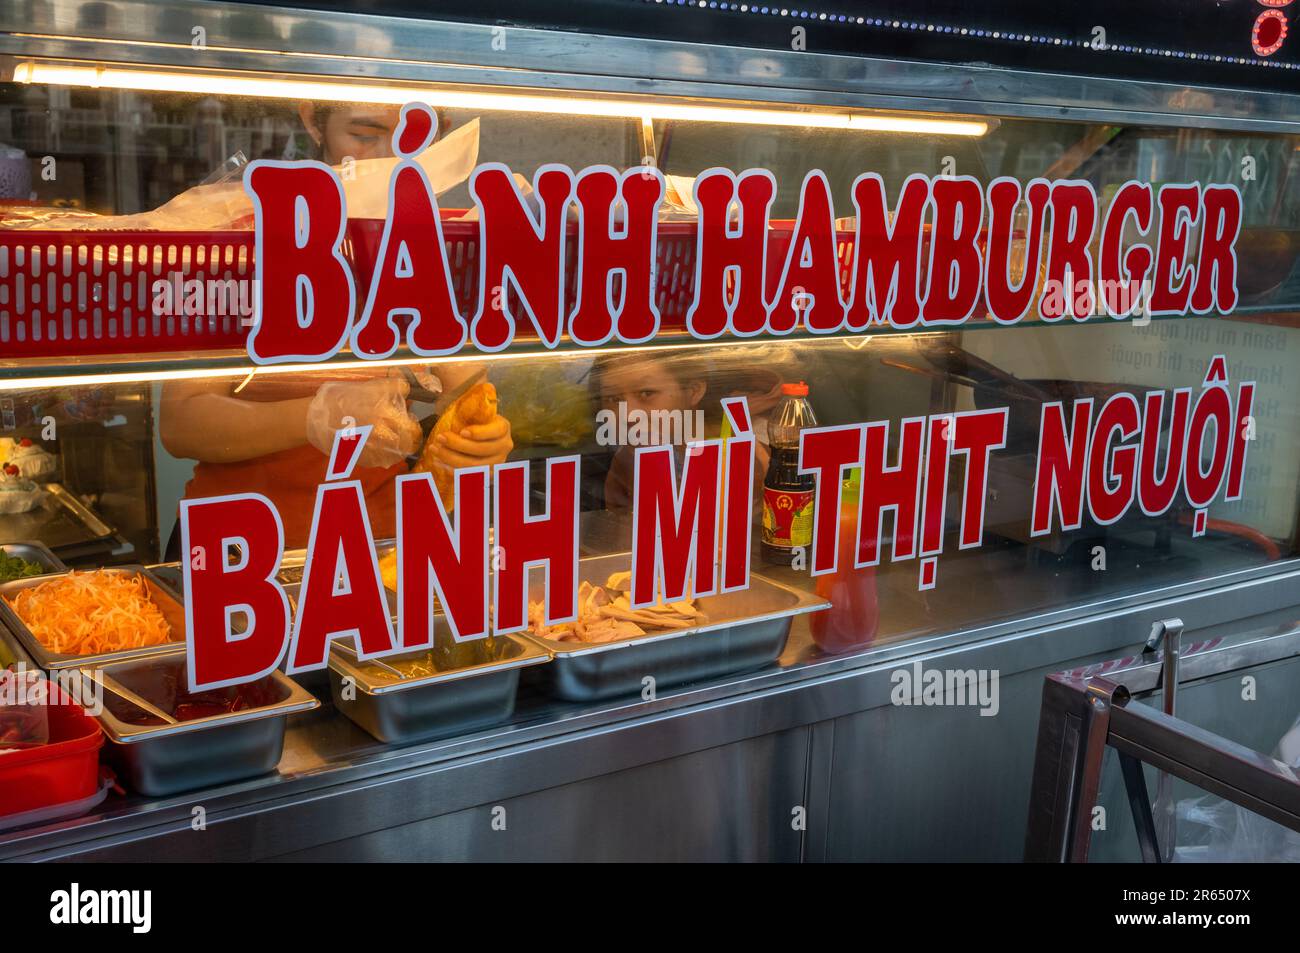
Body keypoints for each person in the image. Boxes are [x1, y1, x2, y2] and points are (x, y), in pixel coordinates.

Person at [160, 103, 509, 553]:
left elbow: (464, 390)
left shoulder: (434, 239)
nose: (387, 156)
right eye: (364, 135)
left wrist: (483, 439)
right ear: (311, 120)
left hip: (379, 544)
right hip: (239, 546)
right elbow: (181, 424)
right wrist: (318, 417)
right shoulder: (241, 232)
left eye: (412, 140)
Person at [588, 351, 784, 510]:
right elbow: (618, 527)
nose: (628, 414)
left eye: (646, 393)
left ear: (693, 391)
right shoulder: (627, 459)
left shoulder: (748, 450)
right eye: (613, 399)